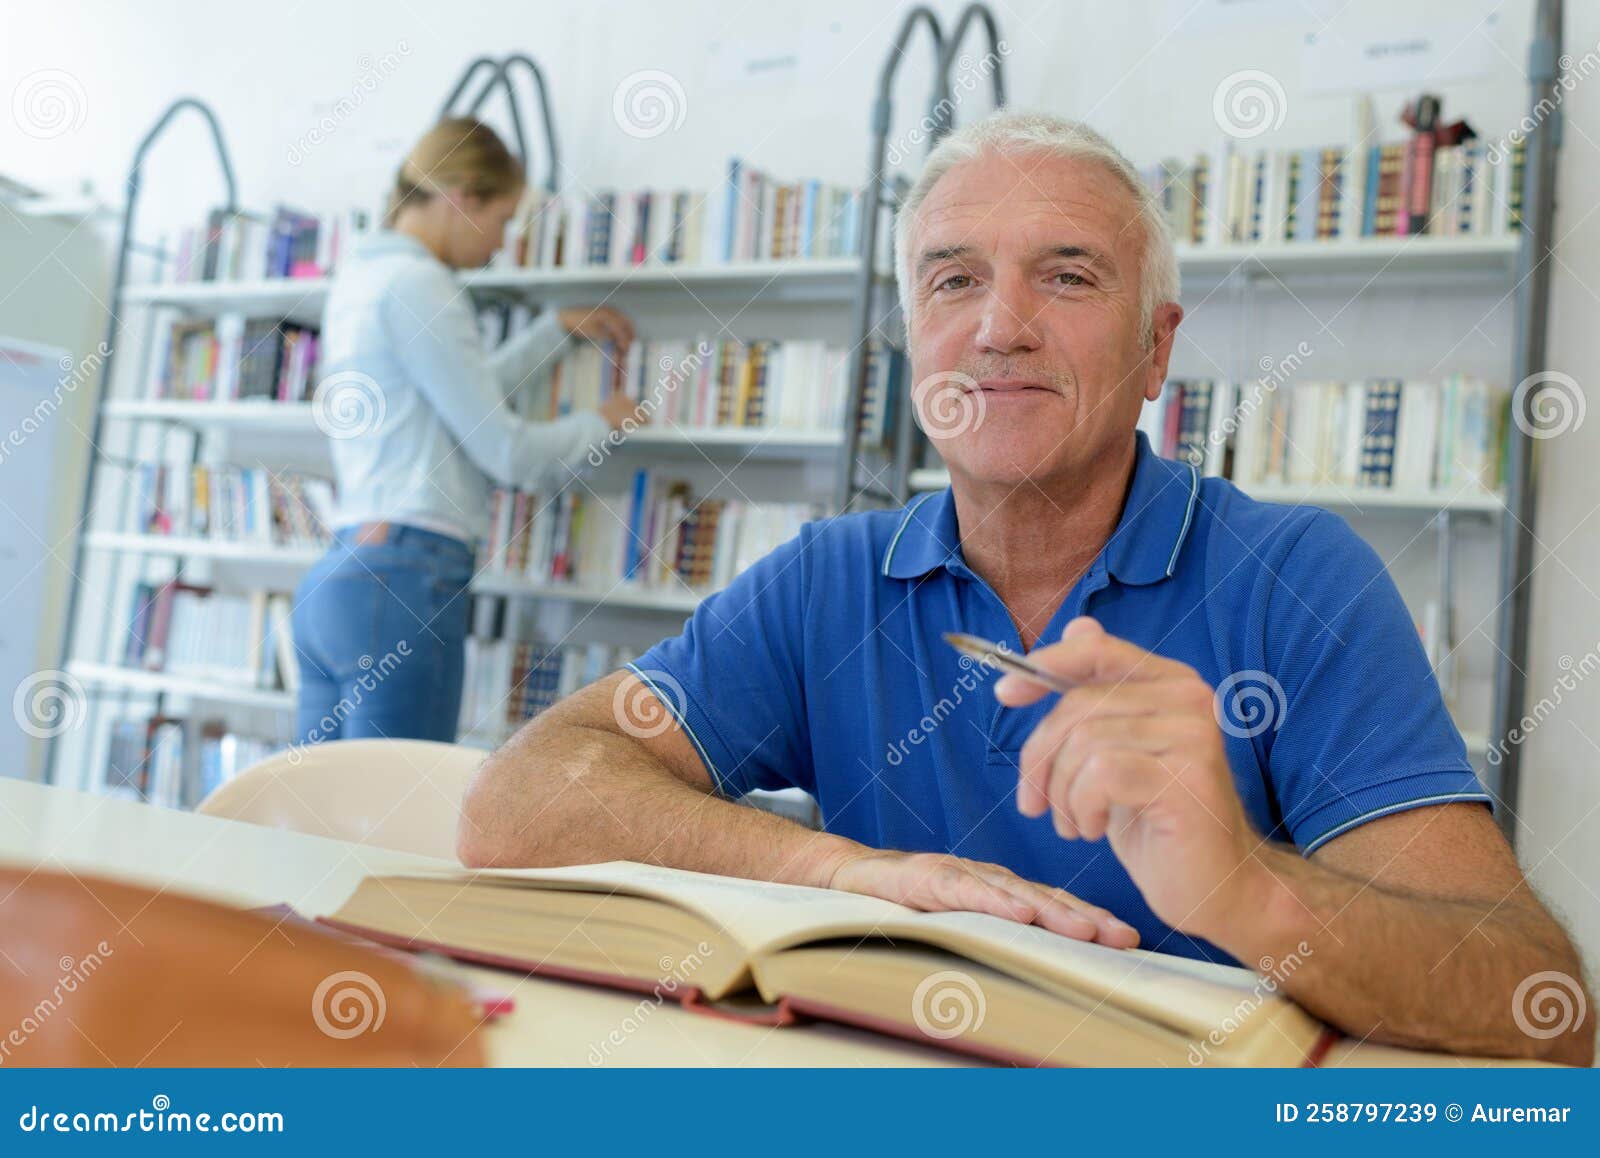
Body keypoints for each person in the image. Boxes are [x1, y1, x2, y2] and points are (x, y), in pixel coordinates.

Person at [457, 110, 1591, 1063]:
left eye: (1067, 277)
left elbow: (1540, 1009)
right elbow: (521, 799)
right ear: (913, 343)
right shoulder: (826, 580)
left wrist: (1242, 886)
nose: (1000, 328)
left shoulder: (1296, 578)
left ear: (1156, 351)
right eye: (955, 280)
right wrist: (842, 870)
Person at [292, 118, 639, 744]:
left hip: (340, 576)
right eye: (504, 219)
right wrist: (600, 423)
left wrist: (550, 333)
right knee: (396, 823)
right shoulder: (423, 282)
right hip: (405, 579)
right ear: (462, 200)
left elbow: (459, 394)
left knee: (319, 817)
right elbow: (507, 452)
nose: (503, 243)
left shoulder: (361, 277)